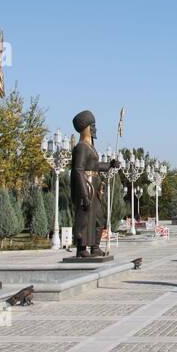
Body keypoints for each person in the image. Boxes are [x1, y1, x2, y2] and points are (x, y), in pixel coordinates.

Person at [70, 110, 113, 258]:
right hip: (86, 185)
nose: (95, 129)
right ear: (85, 128)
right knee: (84, 219)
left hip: (95, 186)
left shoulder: (90, 147)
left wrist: (110, 165)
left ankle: (95, 247)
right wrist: (84, 194)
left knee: (98, 218)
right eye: (92, 126)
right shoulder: (81, 147)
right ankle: (81, 248)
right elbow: (78, 170)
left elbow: (95, 166)